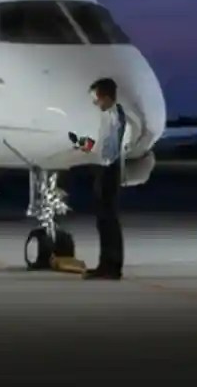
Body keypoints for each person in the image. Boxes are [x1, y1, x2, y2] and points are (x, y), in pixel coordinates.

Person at [78, 77, 126, 280]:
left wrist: (84, 146)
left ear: (105, 97)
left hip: (108, 170)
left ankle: (109, 266)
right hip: (110, 170)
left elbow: (106, 150)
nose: (94, 102)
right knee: (107, 220)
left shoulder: (111, 117)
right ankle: (108, 264)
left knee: (107, 220)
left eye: (96, 97)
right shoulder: (117, 114)